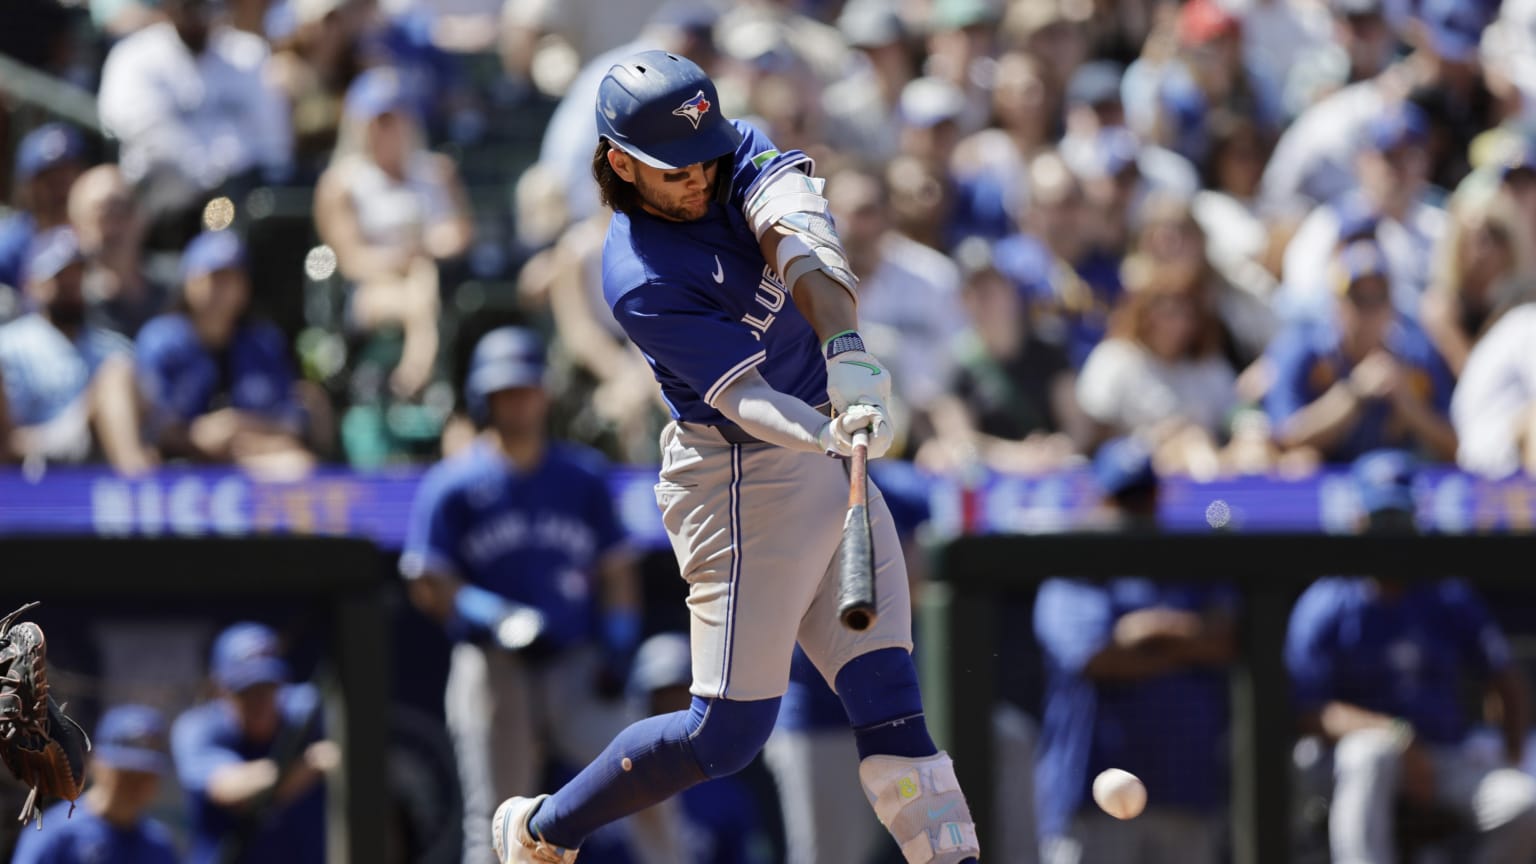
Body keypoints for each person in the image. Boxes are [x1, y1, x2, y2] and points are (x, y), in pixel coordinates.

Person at [488, 50, 981, 864]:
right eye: (676, 168)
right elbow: (740, 399)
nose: (702, 176)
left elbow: (804, 249)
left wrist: (847, 351)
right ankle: (542, 831)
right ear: (620, 164)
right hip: (739, 476)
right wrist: (823, 430)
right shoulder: (638, 275)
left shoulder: (728, 149)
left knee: (891, 701)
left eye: (708, 154)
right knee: (725, 734)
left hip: (823, 440)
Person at [401, 325, 678, 864]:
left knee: (648, 777)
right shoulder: (454, 483)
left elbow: (617, 572)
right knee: (496, 818)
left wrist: (618, 641)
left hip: (576, 660)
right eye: (505, 391)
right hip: (493, 663)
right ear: (485, 397)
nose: (518, 401)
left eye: (526, 388)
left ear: (544, 392)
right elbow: (427, 582)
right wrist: (485, 611)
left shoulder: (582, 477)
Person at [1284, 449, 1536, 863]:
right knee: (1369, 754)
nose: (1391, 534)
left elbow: (1506, 679)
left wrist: (1510, 758)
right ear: (1357, 522)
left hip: (1443, 757)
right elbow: (1307, 709)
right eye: (1381, 521)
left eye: (1399, 520)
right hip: (1350, 762)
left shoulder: (1446, 594)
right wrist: (1398, 738)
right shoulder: (1327, 601)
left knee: (1521, 803)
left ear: (1418, 520)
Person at [1033, 437, 1235, 864]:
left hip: (1186, 792)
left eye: (1142, 497)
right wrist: (1183, 645)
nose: (1135, 510)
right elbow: (1094, 656)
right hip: (1092, 794)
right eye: (1125, 498)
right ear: (1101, 498)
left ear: (1159, 497)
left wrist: (1143, 635)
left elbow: (1224, 642)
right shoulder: (1076, 568)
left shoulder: (1189, 564)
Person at [313, 66, 473, 403]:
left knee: (422, 279)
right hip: (371, 290)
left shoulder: (437, 171)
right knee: (418, 284)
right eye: (377, 121)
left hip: (433, 279)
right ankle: (419, 371)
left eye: (393, 119)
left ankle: (416, 370)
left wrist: (424, 251)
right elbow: (351, 259)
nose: (386, 131)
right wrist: (406, 256)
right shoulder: (341, 184)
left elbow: (460, 233)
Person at [135, 231, 317, 474]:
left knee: (297, 464)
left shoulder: (263, 343)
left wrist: (236, 426)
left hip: (247, 457)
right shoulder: (162, 340)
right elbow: (152, 425)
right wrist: (203, 435)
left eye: (233, 278)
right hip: (178, 464)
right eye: (214, 277)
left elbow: (290, 422)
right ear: (189, 282)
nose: (223, 290)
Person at [1264, 238, 1457, 464]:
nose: (1370, 311)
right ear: (1336, 303)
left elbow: (1454, 446)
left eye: (1378, 297)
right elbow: (1283, 436)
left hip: (1400, 482)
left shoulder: (1418, 355)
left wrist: (1408, 405)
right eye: (1359, 298)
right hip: (1324, 486)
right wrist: (1354, 393)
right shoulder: (1303, 348)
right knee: (1300, 462)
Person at [98, 0, 293, 221]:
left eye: (206, 5)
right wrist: (207, 175)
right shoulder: (133, 56)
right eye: (189, 6)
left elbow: (273, 139)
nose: (198, 14)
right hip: (167, 206)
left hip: (244, 201)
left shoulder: (249, 53)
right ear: (170, 8)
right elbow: (140, 131)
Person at [170, 622, 334, 864]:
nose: (259, 700)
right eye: (245, 690)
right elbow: (232, 790)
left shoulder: (305, 709)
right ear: (221, 689)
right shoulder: (199, 727)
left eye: (267, 686)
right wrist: (309, 765)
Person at [0, 227, 153, 474]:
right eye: (60, 276)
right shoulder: (10, 344)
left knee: (120, 371)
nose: (71, 283)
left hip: (102, 460)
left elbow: (152, 418)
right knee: (115, 377)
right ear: (32, 284)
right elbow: (9, 441)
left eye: (77, 274)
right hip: (40, 458)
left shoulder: (113, 345)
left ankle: (136, 479)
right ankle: (138, 483)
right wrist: (86, 412)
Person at [628, 633, 775, 864]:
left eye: (683, 698)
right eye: (662, 699)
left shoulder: (728, 796)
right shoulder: (602, 782)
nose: (672, 713)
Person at [11, 705, 181, 864]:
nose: (136, 785)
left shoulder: (157, 845)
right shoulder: (56, 835)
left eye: (146, 776)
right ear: (97, 764)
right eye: (127, 774)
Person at [0, 123, 87, 297]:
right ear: (27, 187)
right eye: (49, 180)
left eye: (67, 176)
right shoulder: (8, 244)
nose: (61, 190)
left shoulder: (98, 236)